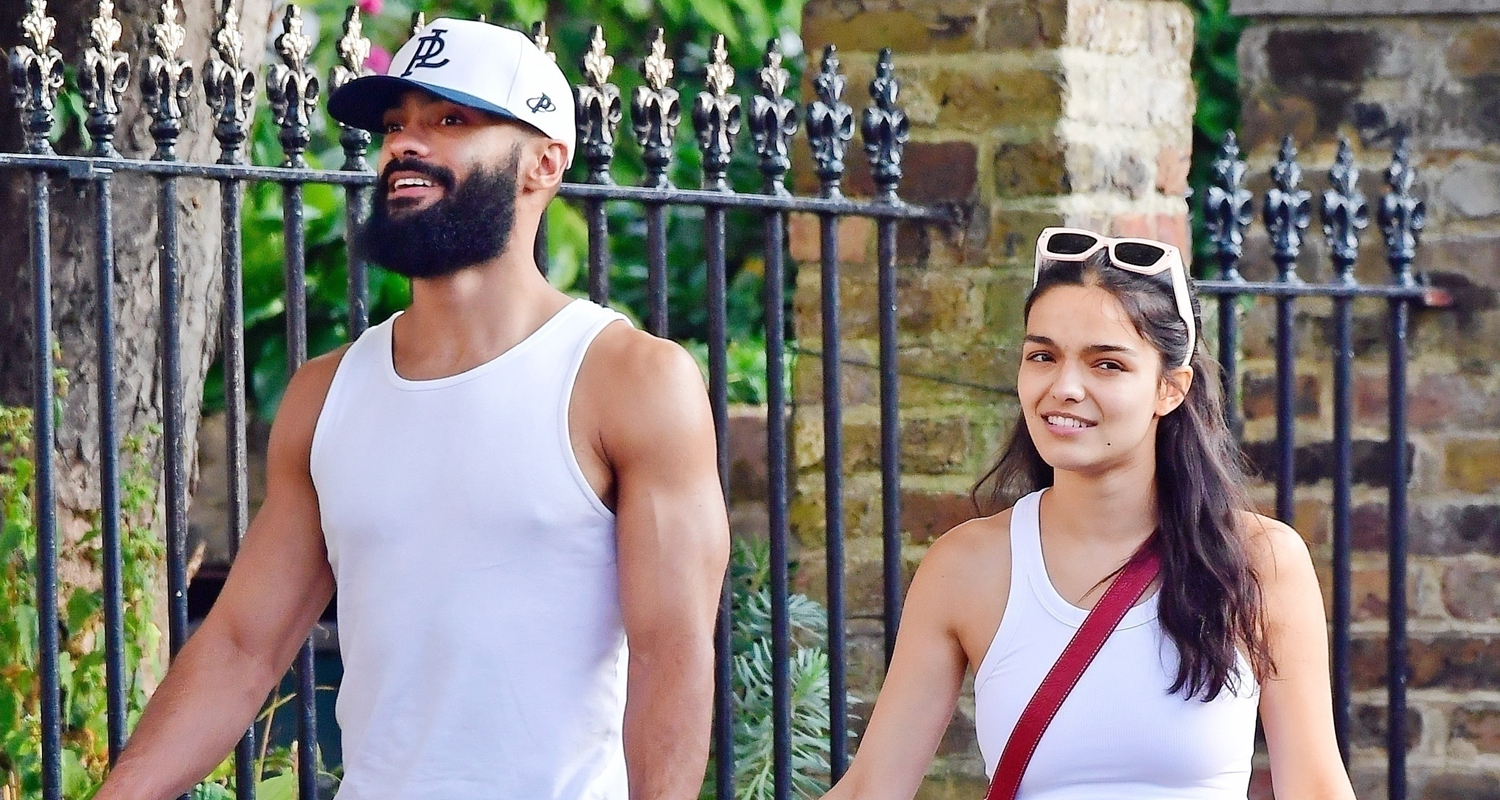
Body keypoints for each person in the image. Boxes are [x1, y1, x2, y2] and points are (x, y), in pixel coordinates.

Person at [93, 19, 730, 800]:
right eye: (397, 125)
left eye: (450, 121)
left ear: (544, 163)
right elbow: (240, 646)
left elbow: (674, 652)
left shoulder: (628, 379)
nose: (406, 145)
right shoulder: (327, 395)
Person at [822, 229, 1355, 799]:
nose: (1065, 387)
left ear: (1169, 389)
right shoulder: (968, 566)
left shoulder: (1259, 562)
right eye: (1042, 356)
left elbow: (1316, 786)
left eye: (1107, 365)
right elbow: (871, 787)